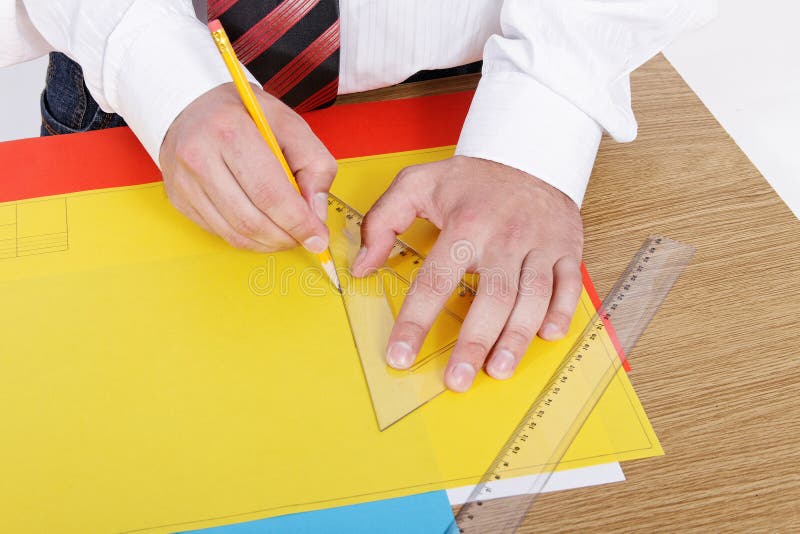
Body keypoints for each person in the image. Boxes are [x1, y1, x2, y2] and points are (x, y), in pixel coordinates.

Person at [1, 0, 715, 392]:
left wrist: (534, 127)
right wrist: (161, 74)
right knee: (94, 390)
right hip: (133, 82)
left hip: (478, 87)